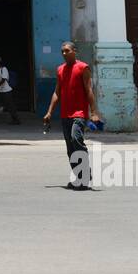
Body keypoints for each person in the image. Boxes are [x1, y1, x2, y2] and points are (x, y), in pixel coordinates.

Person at [43, 41, 99, 190]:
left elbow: (89, 91)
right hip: (65, 114)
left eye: (67, 51)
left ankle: (85, 174)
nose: (64, 54)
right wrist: (49, 112)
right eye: (62, 51)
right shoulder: (60, 70)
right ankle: (79, 177)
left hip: (79, 114)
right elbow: (57, 92)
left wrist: (93, 112)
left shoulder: (83, 67)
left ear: (75, 51)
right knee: (70, 148)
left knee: (76, 139)